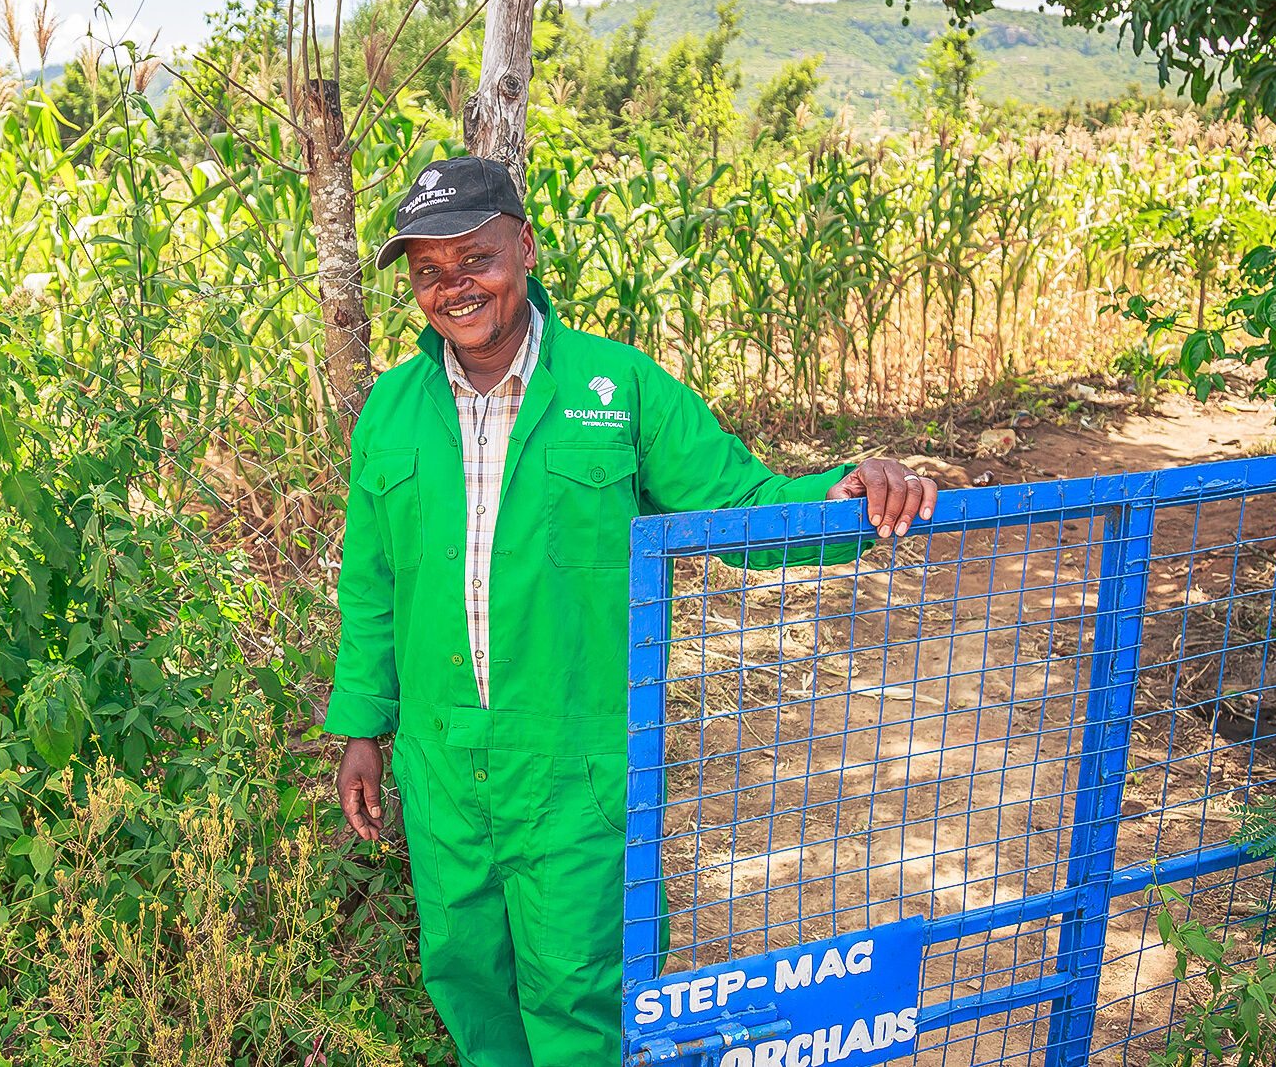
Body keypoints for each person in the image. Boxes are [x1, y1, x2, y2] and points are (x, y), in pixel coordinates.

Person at [325, 155, 937, 1066]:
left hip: (574, 761)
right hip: (444, 761)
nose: (455, 287)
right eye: (428, 270)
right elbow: (372, 582)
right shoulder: (390, 411)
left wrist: (848, 498)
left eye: (475, 258)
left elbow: (736, 502)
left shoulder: (616, 389)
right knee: (464, 972)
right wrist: (363, 728)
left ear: (524, 248)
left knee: (577, 992)